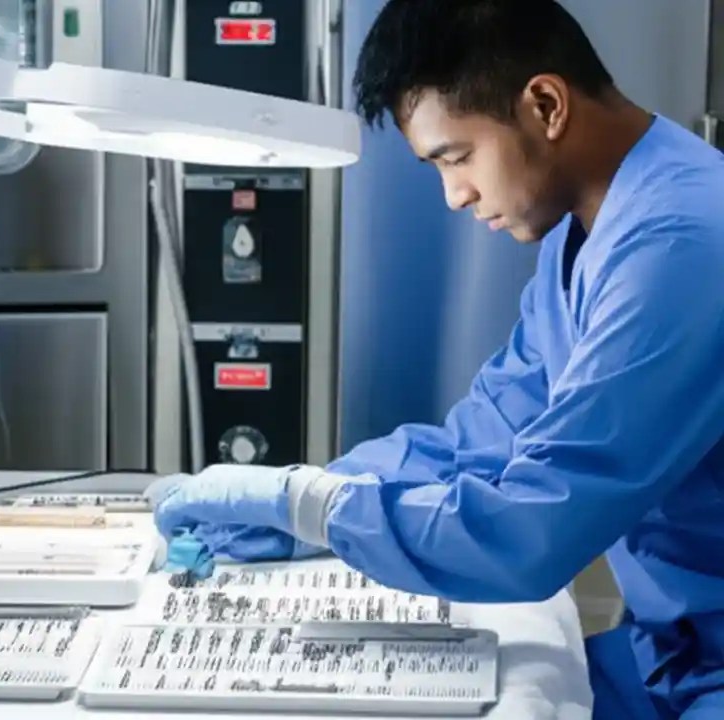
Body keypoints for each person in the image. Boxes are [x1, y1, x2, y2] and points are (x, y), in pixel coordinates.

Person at [145, 0, 724, 717]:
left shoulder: (683, 243)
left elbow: (533, 526)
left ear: (545, 104)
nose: (455, 195)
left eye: (457, 157)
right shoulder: (583, 237)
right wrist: (305, 499)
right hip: (669, 655)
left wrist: (317, 509)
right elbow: (483, 438)